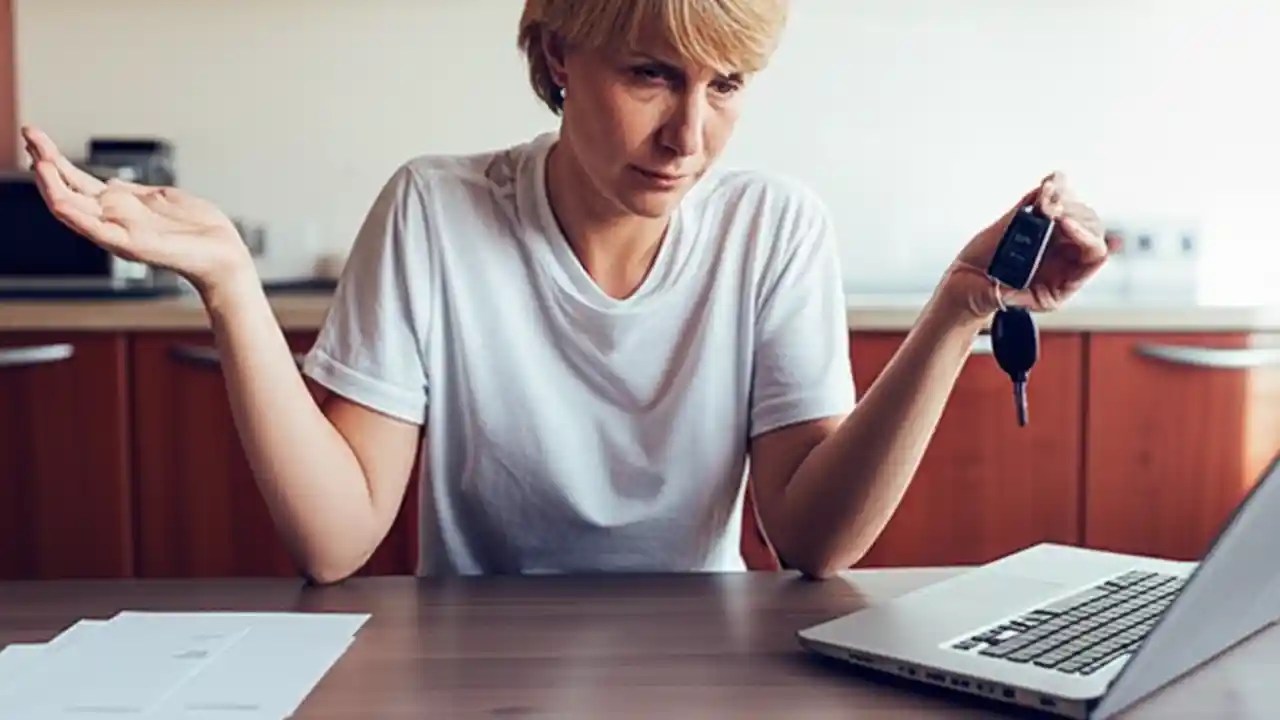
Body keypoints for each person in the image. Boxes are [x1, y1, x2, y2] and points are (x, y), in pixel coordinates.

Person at [21, 0, 1108, 583]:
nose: (689, 136)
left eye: (723, 86)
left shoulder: (772, 226)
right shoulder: (432, 213)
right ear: (554, 58)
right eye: (648, 75)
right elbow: (335, 542)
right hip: (465, 668)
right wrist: (228, 285)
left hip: (702, 664)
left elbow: (812, 543)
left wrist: (959, 307)